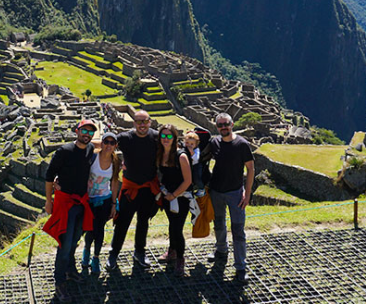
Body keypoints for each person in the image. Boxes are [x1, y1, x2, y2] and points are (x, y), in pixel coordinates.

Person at [43, 119, 97, 302]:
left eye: (90, 132)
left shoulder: (90, 150)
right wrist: (48, 201)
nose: (87, 135)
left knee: (74, 240)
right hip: (65, 203)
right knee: (65, 244)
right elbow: (50, 175)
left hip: (81, 203)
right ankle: (59, 282)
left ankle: (70, 270)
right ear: (77, 131)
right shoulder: (64, 151)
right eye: (84, 131)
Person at [201, 112, 255, 283]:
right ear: (216, 127)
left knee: (238, 230)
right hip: (216, 191)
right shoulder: (214, 142)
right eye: (220, 125)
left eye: (226, 124)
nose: (223, 127)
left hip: (235, 193)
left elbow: (251, 169)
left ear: (232, 124)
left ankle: (240, 266)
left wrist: (247, 193)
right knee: (218, 223)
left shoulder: (242, 144)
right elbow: (201, 158)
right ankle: (221, 250)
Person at [107, 110, 161, 270]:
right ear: (134, 123)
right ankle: (113, 254)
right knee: (122, 222)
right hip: (130, 188)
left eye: (145, 121)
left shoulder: (156, 137)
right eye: (138, 121)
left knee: (143, 222)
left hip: (148, 189)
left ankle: (140, 252)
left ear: (150, 122)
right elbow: (106, 145)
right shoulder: (125, 138)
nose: (142, 125)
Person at [81, 131, 121, 274]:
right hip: (88, 199)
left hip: (104, 199)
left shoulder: (116, 161)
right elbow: (87, 143)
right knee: (89, 229)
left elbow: (115, 182)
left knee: (99, 230)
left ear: (115, 145)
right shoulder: (92, 157)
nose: (108, 145)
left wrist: (113, 203)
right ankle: (86, 252)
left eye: (112, 143)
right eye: (106, 142)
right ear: (102, 143)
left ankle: (96, 257)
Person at [155, 124, 192, 276]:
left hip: (181, 198)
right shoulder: (161, 154)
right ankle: (172, 251)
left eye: (169, 136)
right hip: (167, 196)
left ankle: (180, 260)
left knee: (177, 229)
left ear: (175, 138)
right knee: (172, 225)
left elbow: (188, 181)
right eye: (163, 136)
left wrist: (174, 195)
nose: (166, 139)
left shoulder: (181, 156)